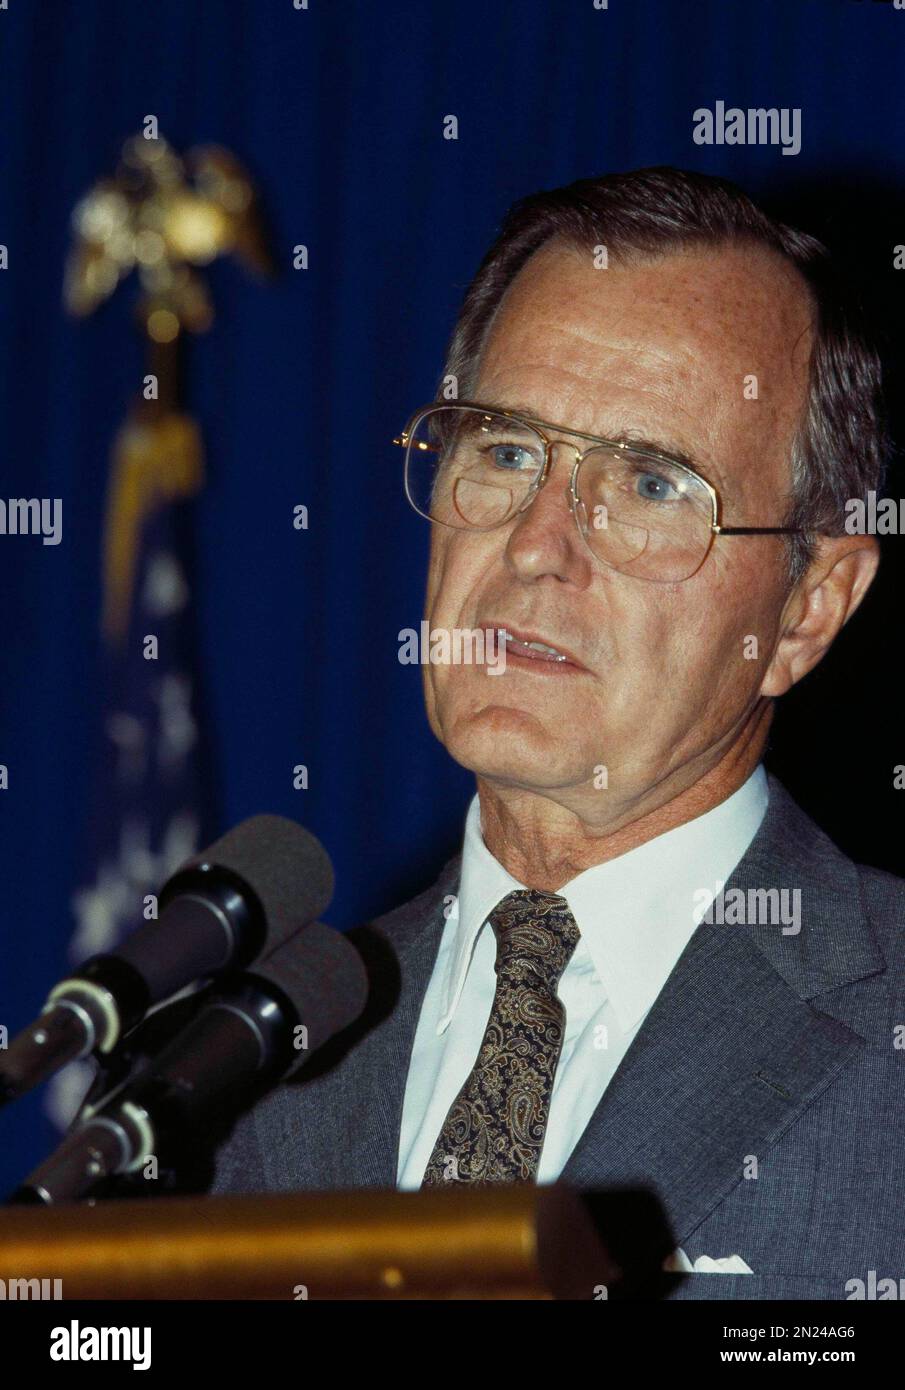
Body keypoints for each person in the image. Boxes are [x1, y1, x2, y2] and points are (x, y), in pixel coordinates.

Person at [208, 167, 904, 1300]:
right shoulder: (249, 1058)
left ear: (806, 606)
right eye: (504, 450)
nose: (536, 545)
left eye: (645, 481)